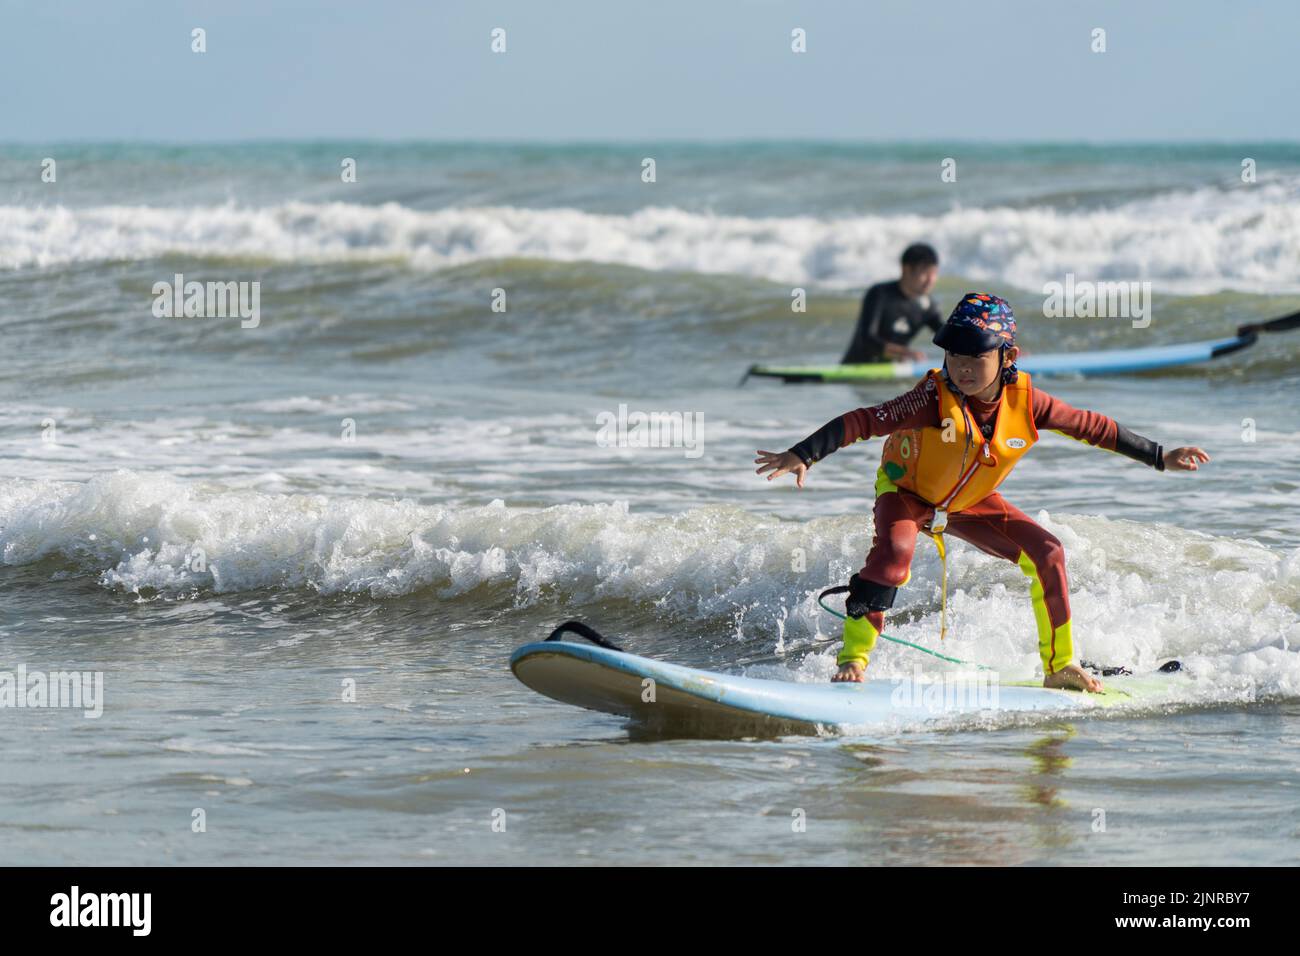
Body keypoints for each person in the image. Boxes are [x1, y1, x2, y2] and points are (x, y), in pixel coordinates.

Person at [755, 293, 1210, 692]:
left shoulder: (1029, 402)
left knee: (1048, 552)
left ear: (1007, 356)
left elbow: (1092, 427)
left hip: (968, 504)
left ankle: (1059, 666)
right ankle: (853, 660)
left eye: (977, 357)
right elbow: (863, 421)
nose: (963, 368)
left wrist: (1158, 455)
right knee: (894, 555)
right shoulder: (930, 399)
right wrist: (804, 454)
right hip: (907, 492)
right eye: (955, 356)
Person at [841, 243, 942, 364]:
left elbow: (948, 336)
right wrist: (905, 353)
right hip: (856, 370)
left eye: (934, 273)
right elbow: (868, 340)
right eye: (925, 273)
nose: (930, 280)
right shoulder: (880, 294)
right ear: (907, 269)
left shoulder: (927, 305)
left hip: (892, 377)